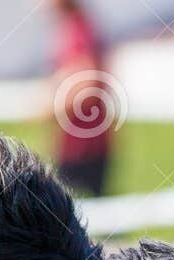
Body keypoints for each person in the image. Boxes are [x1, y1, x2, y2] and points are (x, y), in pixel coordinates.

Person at [50, 0, 115, 197]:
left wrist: (49, 106)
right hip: (81, 140)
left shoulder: (78, 31)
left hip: (83, 144)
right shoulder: (75, 27)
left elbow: (89, 86)